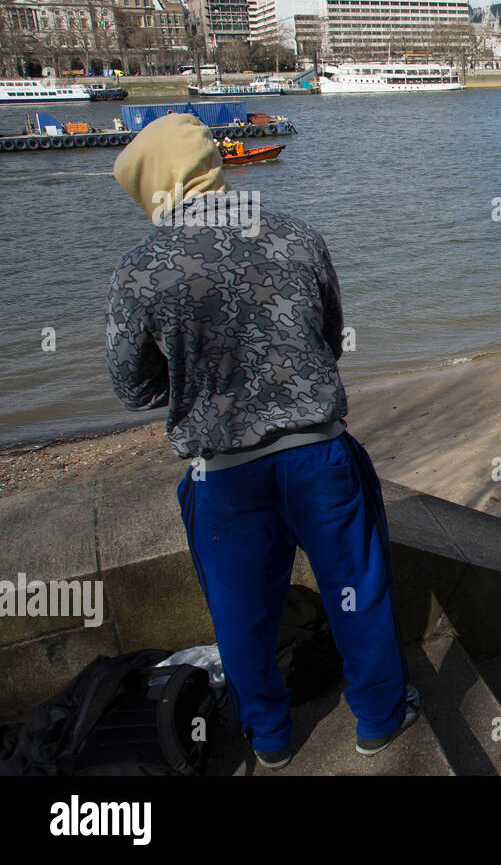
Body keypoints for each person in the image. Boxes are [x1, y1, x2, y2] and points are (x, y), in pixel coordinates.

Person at [106, 113, 418, 770]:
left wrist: (194, 375)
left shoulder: (140, 268)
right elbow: (328, 342)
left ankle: (270, 737)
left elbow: (132, 389)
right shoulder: (295, 234)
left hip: (223, 473)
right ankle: (380, 719)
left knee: (241, 614)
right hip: (317, 451)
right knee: (357, 591)